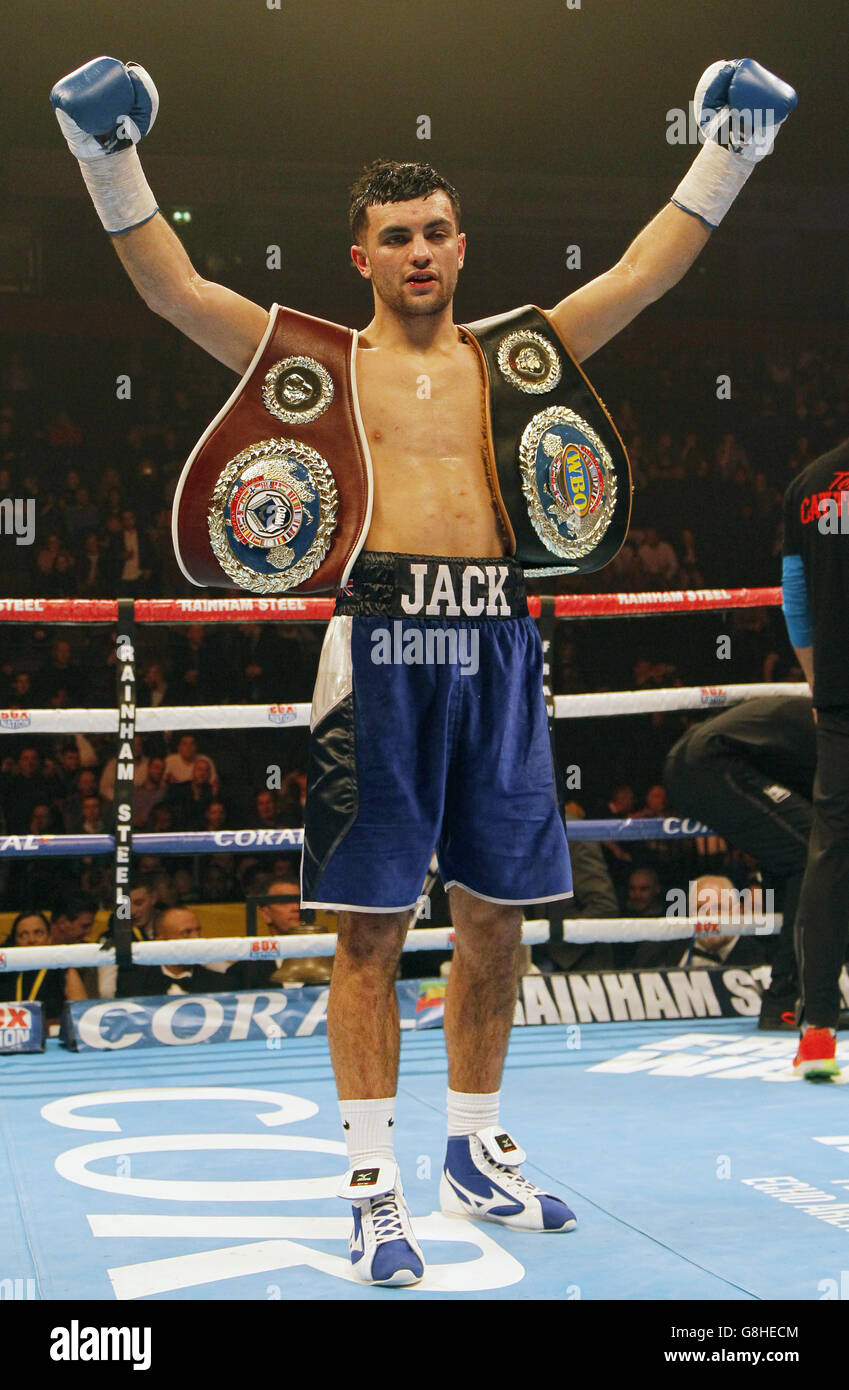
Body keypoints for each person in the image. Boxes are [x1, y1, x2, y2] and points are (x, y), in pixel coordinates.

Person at [52, 51, 796, 1284]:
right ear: (362, 257)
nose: (420, 254)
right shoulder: (326, 360)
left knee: (498, 921)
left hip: (500, 638)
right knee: (371, 933)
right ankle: (369, 1186)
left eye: (437, 233)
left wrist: (731, 153)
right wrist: (107, 155)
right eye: (396, 236)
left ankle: (473, 1148)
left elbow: (643, 275)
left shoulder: (517, 356)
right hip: (383, 642)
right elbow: (175, 290)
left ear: (463, 246)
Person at [664, 695, 818, 1028]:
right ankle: (786, 1000)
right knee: (815, 856)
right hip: (710, 763)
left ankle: (795, 994)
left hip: (700, 760)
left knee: (791, 858)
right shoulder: (836, 731)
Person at [780, 439, 849, 1078]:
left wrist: (818, 686)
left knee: (831, 856)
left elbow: (796, 602)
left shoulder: (811, 483)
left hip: (839, 701)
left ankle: (820, 1028)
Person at [0, 911, 88, 1021]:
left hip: (52, 1035)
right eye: (23, 935)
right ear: (15, 942)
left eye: (38, 933)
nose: (31, 940)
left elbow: (81, 1014)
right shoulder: (4, 972)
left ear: (49, 937)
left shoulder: (64, 969)